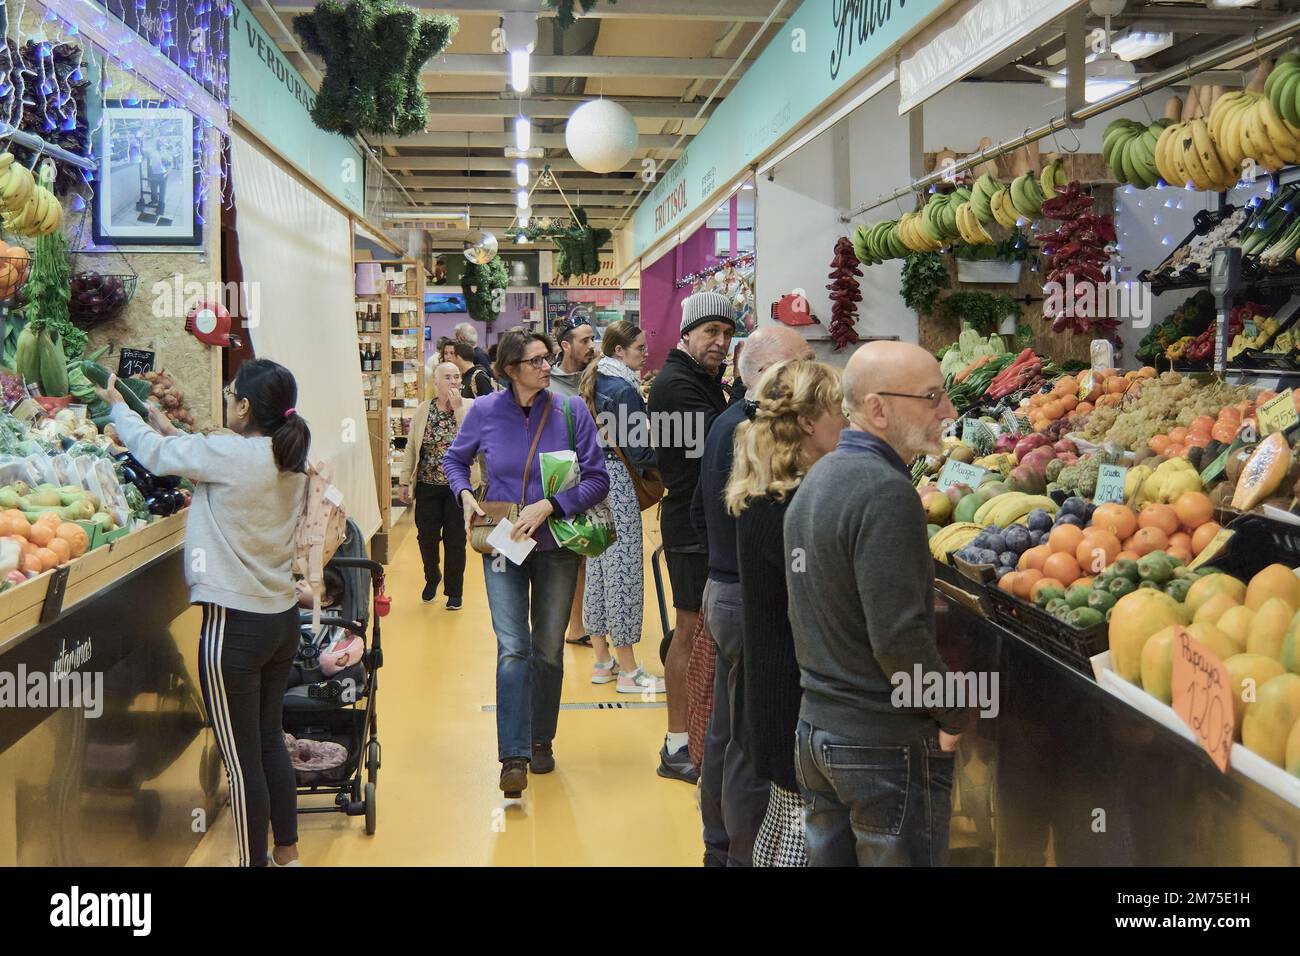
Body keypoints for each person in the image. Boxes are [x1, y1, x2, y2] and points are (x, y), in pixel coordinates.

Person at [94, 359, 310, 868]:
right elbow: (200, 458)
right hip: (280, 622)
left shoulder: (233, 454)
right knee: (268, 743)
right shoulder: (286, 455)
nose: (227, 397)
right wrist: (162, 420)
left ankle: (248, 863)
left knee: (239, 763)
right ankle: (287, 852)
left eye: (231, 392)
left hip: (234, 626)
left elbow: (155, 455)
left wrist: (121, 410)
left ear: (245, 407)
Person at [784, 341, 968, 867]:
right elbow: (898, 637)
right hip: (879, 744)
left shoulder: (819, 477)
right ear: (878, 408)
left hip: (818, 731)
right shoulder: (886, 493)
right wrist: (953, 714)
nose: (948, 411)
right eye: (932, 397)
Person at [444, 330, 609, 797]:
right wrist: (463, 495)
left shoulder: (571, 410)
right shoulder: (483, 412)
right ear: (510, 370)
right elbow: (454, 462)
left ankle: (541, 739)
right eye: (536, 361)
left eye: (547, 358)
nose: (546, 367)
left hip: (556, 545)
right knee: (513, 646)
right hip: (502, 544)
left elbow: (597, 480)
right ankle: (512, 755)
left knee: (549, 649)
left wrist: (552, 505)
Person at [690, 324, 813, 866]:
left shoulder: (724, 422)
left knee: (726, 728)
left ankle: (718, 841)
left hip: (724, 589)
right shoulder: (756, 431)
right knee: (750, 736)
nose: (813, 376)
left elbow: (698, 510)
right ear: (766, 374)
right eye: (801, 363)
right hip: (745, 597)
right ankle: (742, 852)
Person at [726, 360, 845, 867]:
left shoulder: (764, 495)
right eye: (839, 411)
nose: (847, 421)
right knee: (805, 836)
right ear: (807, 423)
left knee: (785, 828)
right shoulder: (793, 508)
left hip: (773, 699)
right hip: (795, 703)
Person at [645, 290, 734, 783]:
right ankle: (676, 742)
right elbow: (718, 443)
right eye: (711, 332)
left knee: (701, 631)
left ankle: (698, 736)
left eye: (726, 333)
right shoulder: (678, 385)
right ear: (687, 334)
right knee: (689, 628)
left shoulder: (700, 379)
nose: (720, 341)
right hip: (690, 526)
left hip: (702, 524)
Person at [577, 320, 663, 693]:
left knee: (597, 568)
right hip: (618, 485)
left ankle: (602, 660)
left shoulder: (594, 382)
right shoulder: (623, 389)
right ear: (619, 351)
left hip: (592, 482)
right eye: (640, 348)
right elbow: (638, 450)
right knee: (625, 572)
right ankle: (628, 669)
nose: (645, 354)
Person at [398, 362, 480, 609]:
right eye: (447, 377)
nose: (454, 382)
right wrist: (403, 480)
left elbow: (473, 441)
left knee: (456, 541)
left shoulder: (470, 407)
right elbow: (412, 447)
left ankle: (454, 591)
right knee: (427, 538)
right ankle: (432, 576)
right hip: (427, 484)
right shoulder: (424, 410)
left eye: (457, 377)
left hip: (460, 488)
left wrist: (457, 411)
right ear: (436, 383)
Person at [546, 318, 597, 647]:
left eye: (593, 339)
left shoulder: (600, 376)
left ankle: (580, 623)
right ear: (566, 345)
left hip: (593, 469)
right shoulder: (546, 381)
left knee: (589, 551)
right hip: (557, 470)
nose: (591, 345)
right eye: (584, 340)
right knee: (566, 552)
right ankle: (568, 623)